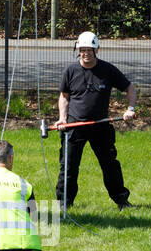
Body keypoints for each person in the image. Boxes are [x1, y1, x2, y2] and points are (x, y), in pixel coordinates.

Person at [56, 31, 137, 211]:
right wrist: (62, 118)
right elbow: (64, 97)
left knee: (110, 165)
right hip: (74, 126)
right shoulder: (70, 71)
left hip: (101, 126)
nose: (85, 53)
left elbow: (129, 87)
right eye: (82, 50)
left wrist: (130, 109)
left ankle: (122, 201)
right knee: (68, 167)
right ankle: (63, 204)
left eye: (89, 50)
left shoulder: (107, 70)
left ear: (97, 49)